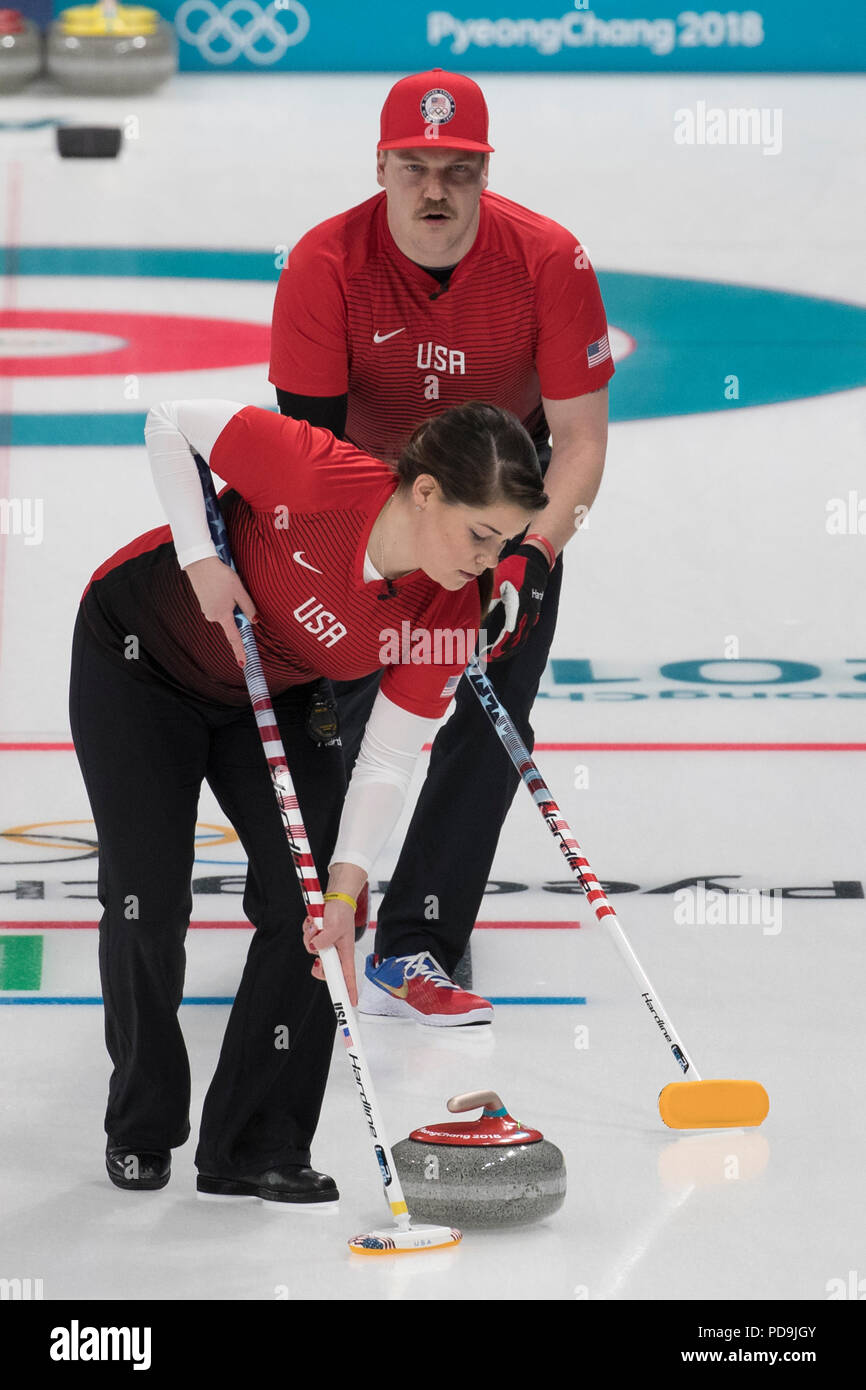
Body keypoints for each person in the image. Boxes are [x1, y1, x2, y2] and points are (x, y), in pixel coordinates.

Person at [69, 397, 547, 1199]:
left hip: (275, 689)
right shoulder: (316, 474)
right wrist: (202, 560)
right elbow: (169, 420)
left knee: (315, 909)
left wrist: (350, 886)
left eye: (504, 543)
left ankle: (255, 1145)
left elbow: (390, 755)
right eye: (479, 534)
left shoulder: (449, 610)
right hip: (141, 661)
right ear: (425, 492)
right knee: (146, 903)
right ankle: (143, 1124)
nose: (487, 560)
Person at [269, 67, 614, 1025]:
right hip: (369, 507)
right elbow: (309, 460)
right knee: (341, 704)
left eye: (456, 170)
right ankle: (331, 898)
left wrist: (529, 556)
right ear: (380, 166)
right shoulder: (322, 266)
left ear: (484, 172)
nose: (433, 189)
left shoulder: (549, 261)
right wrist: (385, 563)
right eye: (413, 166)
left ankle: (420, 935)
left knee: (488, 716)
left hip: (500, 514)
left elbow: (581, 443)